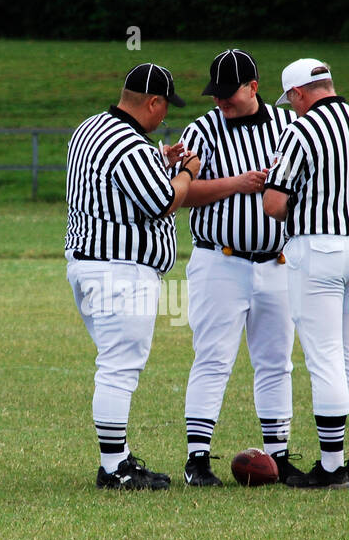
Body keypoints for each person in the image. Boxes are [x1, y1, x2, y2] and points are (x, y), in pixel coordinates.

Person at [64, 63, 198, 490]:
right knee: (119, 368)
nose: (165, 117)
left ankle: (118, 458)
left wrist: (159, 158)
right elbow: (162, 202)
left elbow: (116, 177)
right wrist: (186, 173)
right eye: (164, 108)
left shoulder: (90, 128)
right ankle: (113, 467)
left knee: (114, 364)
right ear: (152, 102)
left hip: (88, 265)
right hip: (120, 271)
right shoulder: (130, 145)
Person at [262, 58, 349, 489]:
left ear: (298, 93)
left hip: (320, 249)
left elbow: (273, 204)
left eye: (292, 100)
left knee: (326, 358)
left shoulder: (300, 130)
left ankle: (332, 467)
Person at [178, 49, 302, 486]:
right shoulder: (202, 130)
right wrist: (240, 183)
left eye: (229, 95)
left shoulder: (290, 127)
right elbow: (182, 194)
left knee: (276, 361)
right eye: (216, 94)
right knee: (213, 358)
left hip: (279, 261)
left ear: (253, 87)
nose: (221, 103)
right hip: (221, 259)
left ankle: (279, 455)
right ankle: (197, 460)